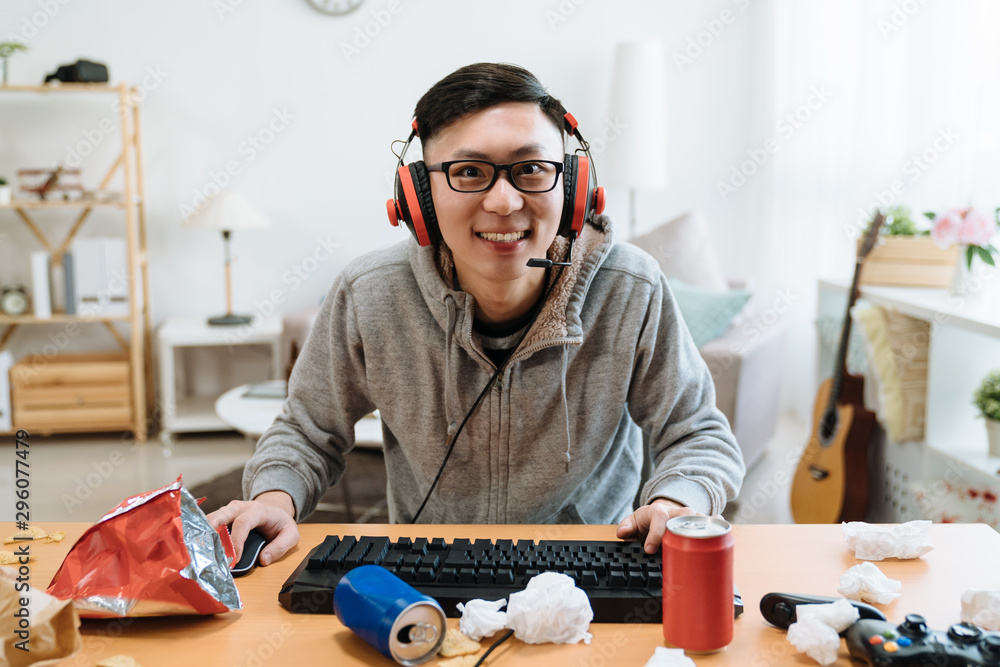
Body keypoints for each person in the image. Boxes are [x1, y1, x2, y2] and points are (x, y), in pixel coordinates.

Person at [208, 62, 745, 567]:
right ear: (419, 196)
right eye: (468, 172)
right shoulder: (369, 293)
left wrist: (675, 502)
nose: (504, 202)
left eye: (531, 169)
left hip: (589, 569)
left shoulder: (632, 286)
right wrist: (274, 500)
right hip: (427, 569)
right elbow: (307, 430)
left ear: (574, 187)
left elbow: (697, 433)